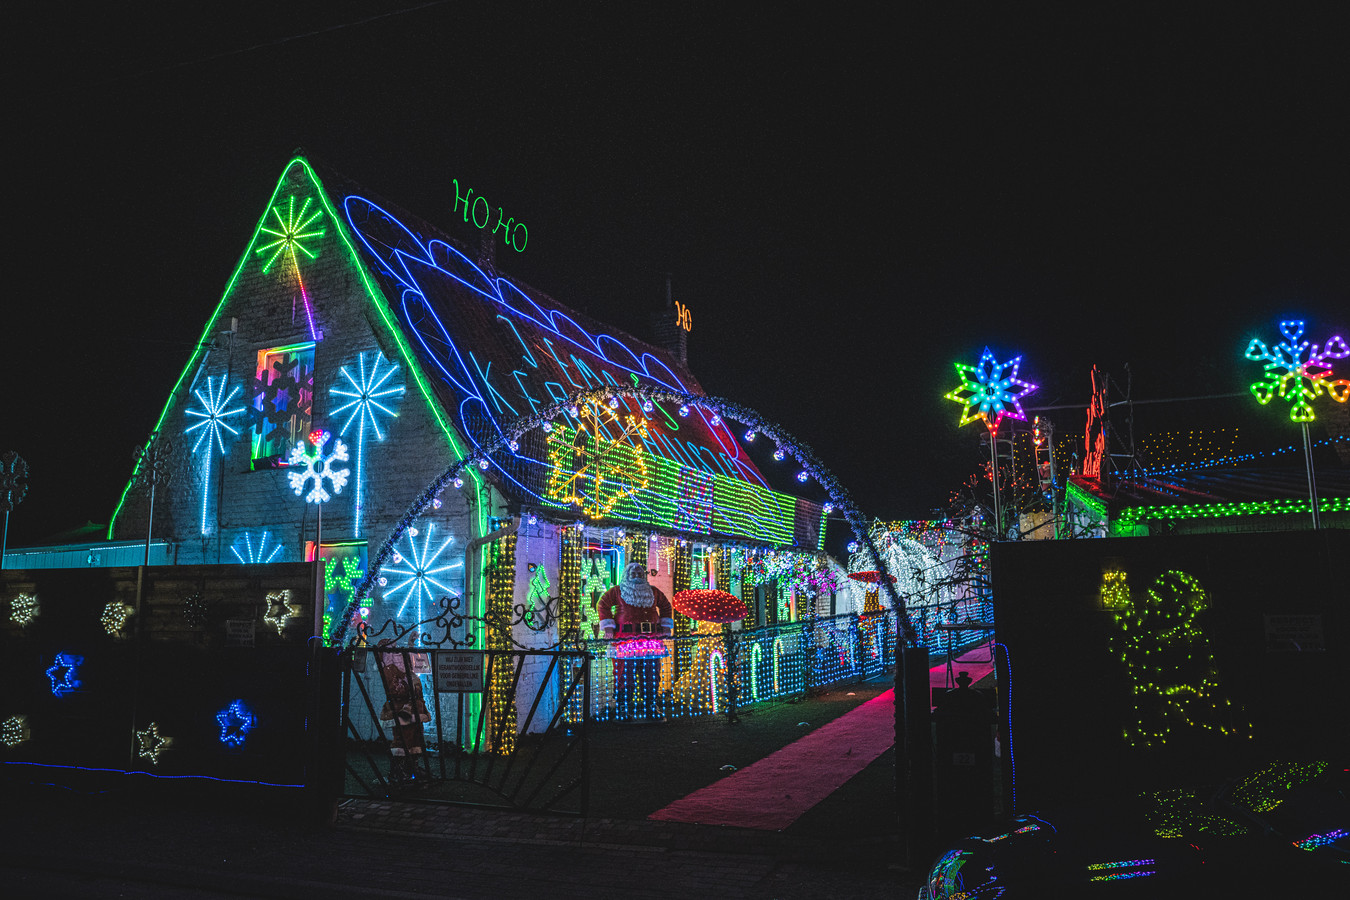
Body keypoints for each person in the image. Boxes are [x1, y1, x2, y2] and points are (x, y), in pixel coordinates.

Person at [597, 562, 673, 720]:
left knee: (652, 675)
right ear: (626, 575)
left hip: (651, 641)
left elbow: (666, 607)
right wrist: (609, 628)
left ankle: (651, 706)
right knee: (624, 675)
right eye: (634, 573)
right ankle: (623, 708)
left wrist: (666, 626)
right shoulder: (617, 592)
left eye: (640, 573)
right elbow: (603, 605)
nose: (637, 575)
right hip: (625, 642)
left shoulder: (653, 592)